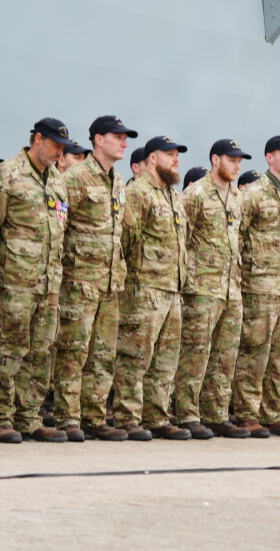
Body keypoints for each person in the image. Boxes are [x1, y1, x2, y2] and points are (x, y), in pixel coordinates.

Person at [0, 117, 73, 442]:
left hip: (48, 286)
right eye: (55, 146)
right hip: (14, 284)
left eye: (63, 148)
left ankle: (28, 416)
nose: (60, 153)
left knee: (41, 352)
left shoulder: (58, 182)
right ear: (37, 139)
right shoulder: (7, 176)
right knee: (10, 351)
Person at [51, 116, 137, 442]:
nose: (124, 143)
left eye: (125, 138)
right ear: (98, 139)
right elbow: (58, 227)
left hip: (110, 283)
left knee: (102, 354)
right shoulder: (74, 178)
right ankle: (68, 417)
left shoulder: (116, 182)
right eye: (118, 137)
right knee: (74, 352)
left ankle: (93, 416)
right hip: (80, 281)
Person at [174, 139, 252, 439]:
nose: (237, 166)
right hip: (202, 287)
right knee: (196, 352)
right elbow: (183, 238)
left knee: (225, 354)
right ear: (215, 160)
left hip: (231, 288)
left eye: (239, 162)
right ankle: (187, 414)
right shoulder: (195, 194)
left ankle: (216, 414)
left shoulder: (236, 196)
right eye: (232, 160)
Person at [232, 136, 280, 438]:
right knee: (255, 351)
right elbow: (237, 236)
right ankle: (247, 412)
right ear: (268, 157)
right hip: (258, 286)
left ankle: (273, 412)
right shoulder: (251, 194)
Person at [114, 135, 190, 440]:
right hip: (144, 288)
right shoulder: (139, 193)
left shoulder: (173, 196)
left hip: (172, 289)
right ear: (153, 158)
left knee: (166, 359)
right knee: (136, 356)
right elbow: (126, 241)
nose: (176, 159)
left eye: (177, 154)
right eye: (170, 154)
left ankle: (157, 416)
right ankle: (127, 416)